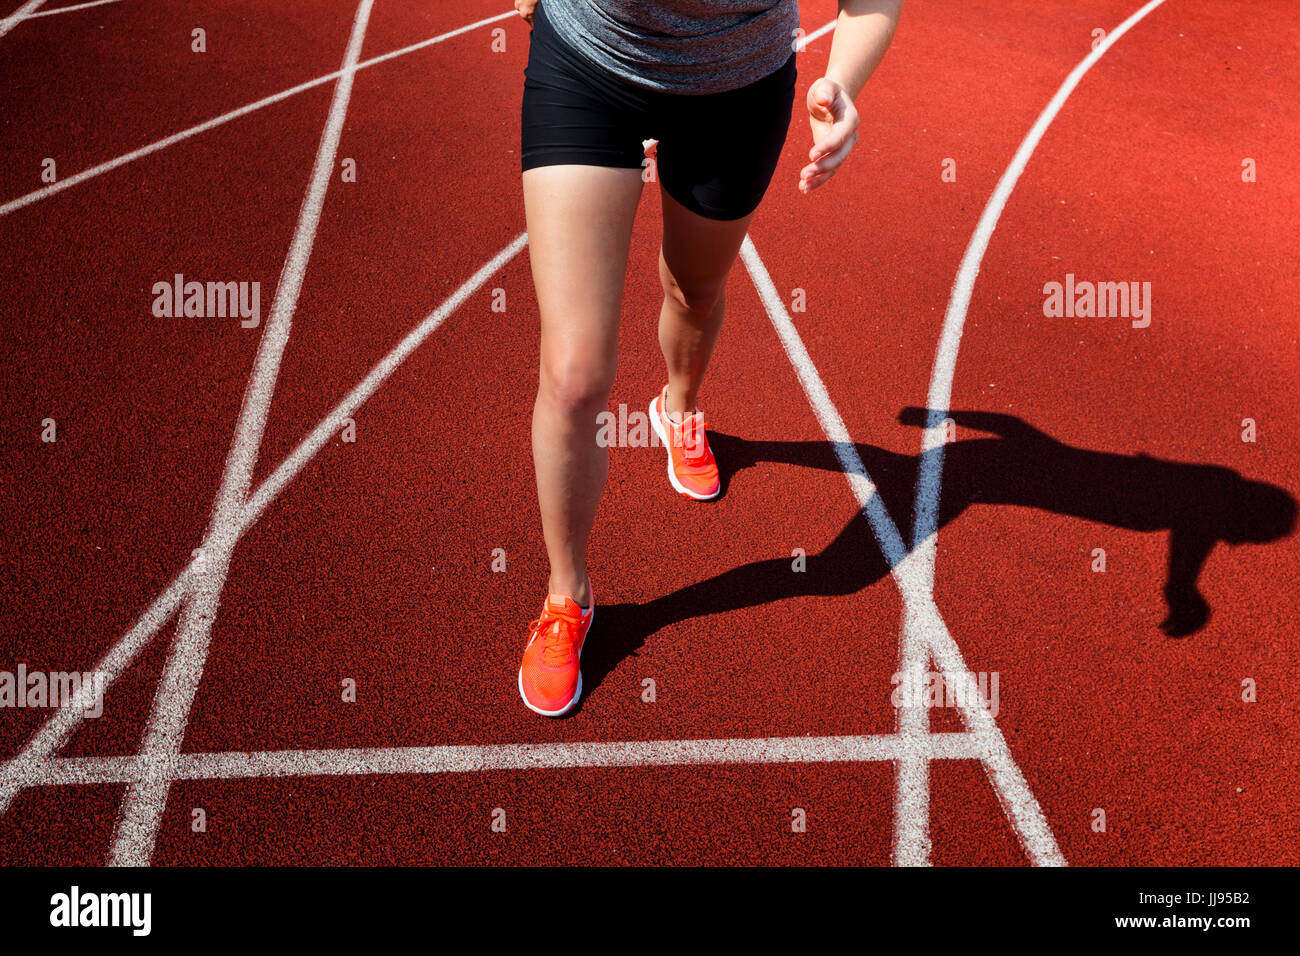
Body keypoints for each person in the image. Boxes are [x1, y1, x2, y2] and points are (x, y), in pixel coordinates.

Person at [515, 0, 902, 716]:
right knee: (574, 375)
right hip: (590, 64)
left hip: (737, 92)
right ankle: (567, 594)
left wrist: (842, 83)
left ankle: (679, 406)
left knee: (693, 290)